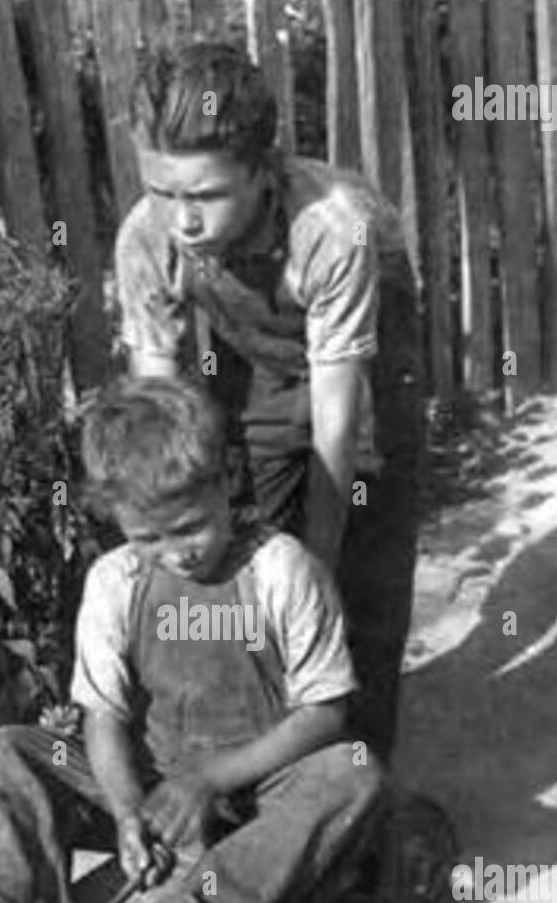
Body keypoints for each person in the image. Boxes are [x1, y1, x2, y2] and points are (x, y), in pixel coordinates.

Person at [0, 378, 385, 903]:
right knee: (4, 753)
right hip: (151, 784)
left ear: (228, 479)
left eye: (190, 528)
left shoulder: (283, 570)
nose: (177, 554)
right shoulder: (117, 580)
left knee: (354, 770)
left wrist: (211, 779)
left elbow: (326, 712)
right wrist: (131, 810)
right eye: (148, 538)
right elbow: (102, 715)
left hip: (257, 792)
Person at [116, 41, 424, 765]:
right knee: (242, 554)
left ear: (264, 171)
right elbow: (159, 414)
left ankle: (358, 795)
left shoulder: (333, 228)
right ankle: (257, 765)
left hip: (365, 373)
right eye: (164, 193)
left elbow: (339, 418)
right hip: (258, 364)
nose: (181, 221)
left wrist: (317, 565)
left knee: (361, 583)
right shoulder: (147, 236)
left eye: (205, 196)